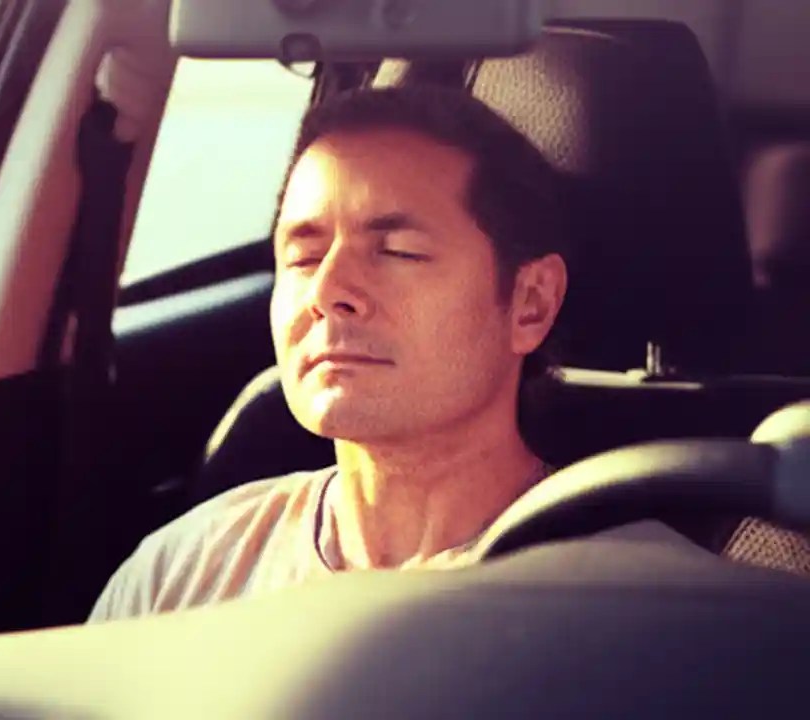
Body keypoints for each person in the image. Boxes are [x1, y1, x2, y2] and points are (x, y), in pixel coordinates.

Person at [90, 84, 574, 622]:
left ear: (530, 303)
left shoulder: (630, 602)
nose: (326, 290)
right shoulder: (181, 573)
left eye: (398, 252)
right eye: (304, 257)